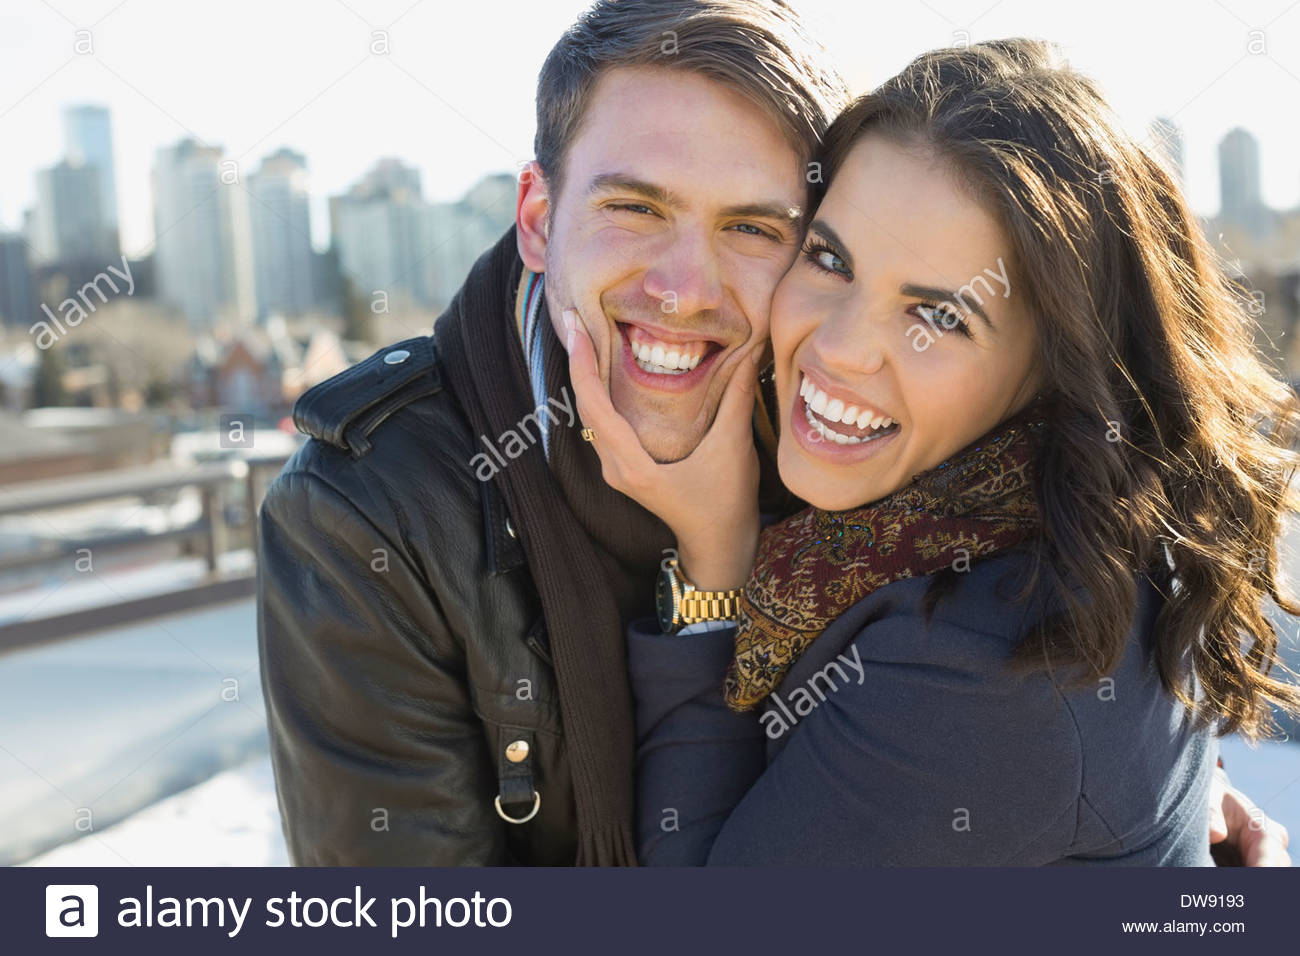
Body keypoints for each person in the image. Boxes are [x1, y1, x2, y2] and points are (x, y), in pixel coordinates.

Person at [257, 0, 1288, 866]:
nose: (684, 290)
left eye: (753, 228)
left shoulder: (903, 507)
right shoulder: (371, 512)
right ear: (536, 217)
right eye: (634, 207)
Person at [561, 38, 1300, 865]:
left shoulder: (989, 667)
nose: (839, 350)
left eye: (939, 317)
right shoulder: (1070, 514)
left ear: (1060, 368)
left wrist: (712, 570)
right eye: (830, 258)